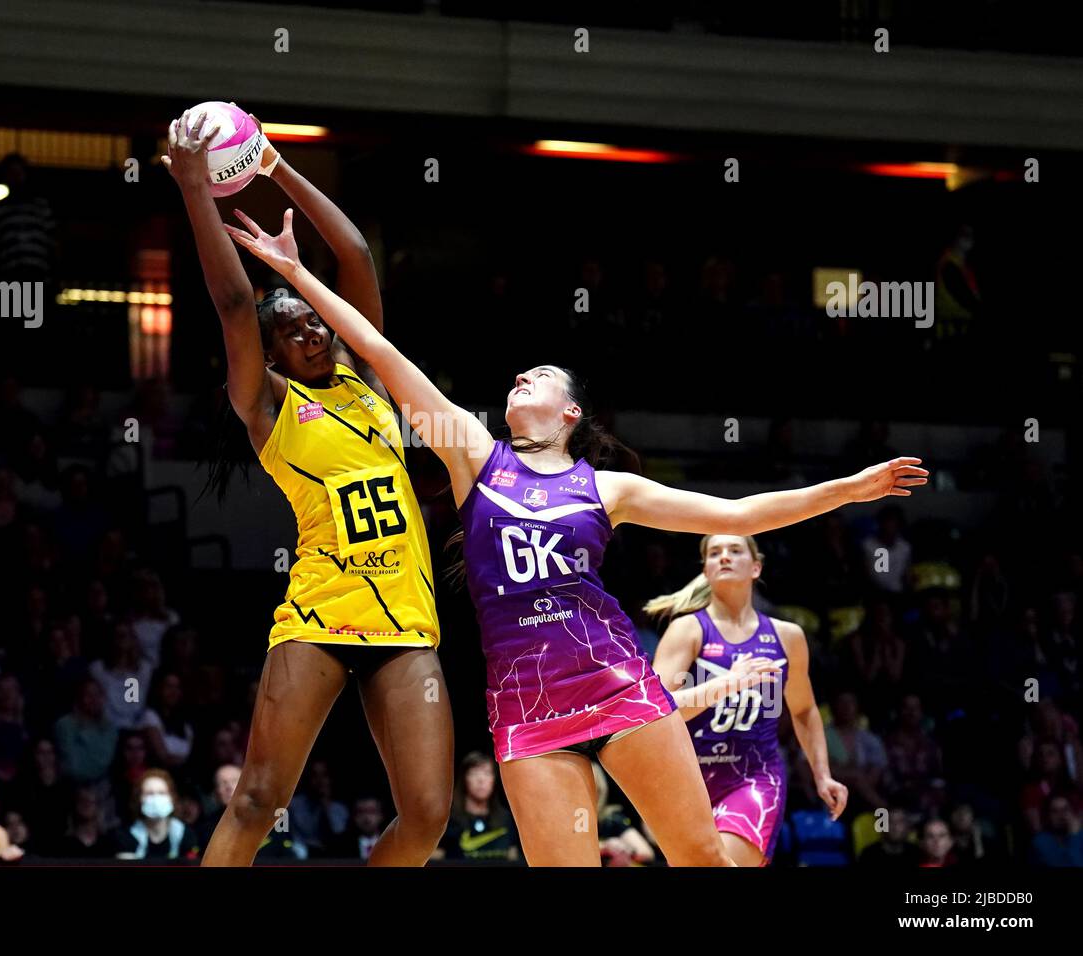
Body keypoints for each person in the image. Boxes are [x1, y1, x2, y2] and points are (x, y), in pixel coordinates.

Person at [221, 196, 926, 866]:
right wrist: (291, 271)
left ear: (569, 414)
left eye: (543, 376)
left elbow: (737, 514)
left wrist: (851, 488)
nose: (522, 374)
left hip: (618, 684)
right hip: (528, 710)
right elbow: (374, 347)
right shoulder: (472, 452)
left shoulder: (607, 488)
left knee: (700, 856)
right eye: (521, 373)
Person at [165, 108, 453, 867]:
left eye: (318, 322)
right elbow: (233, 304)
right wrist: (198, 190)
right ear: (272, 353)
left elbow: (354, 255)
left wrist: (274, 165)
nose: (315, 331)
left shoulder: (368, 381)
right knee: (260, 798)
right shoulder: (267, 408)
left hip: (405, 619)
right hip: (319, 614)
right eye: (294, 328)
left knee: (426, 816)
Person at [648, 534, 848, 866]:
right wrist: (726, 684)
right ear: (706, 570)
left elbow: (803, 709)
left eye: (735, 550)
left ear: (756, 568)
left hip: (755, 778)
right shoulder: (687, 631)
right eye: (714, 553)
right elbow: (657, 710)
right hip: (688, 784)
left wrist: (822, 774)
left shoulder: (787, 636)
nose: (724, 557)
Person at [435, 752, 520, 862]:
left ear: (494, 779)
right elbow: (435, 857)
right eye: (474, 773)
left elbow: (513, 856)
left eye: (487, 773)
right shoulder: (448, 819)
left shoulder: (506, 817)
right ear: (464, 779)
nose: (481, 780)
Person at [112, 769, 201, 861]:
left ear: (172, 798)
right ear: (139, 799)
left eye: (162, 793)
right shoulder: (125, 837)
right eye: (149, 794)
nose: (156, 798)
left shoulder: (186, 835)